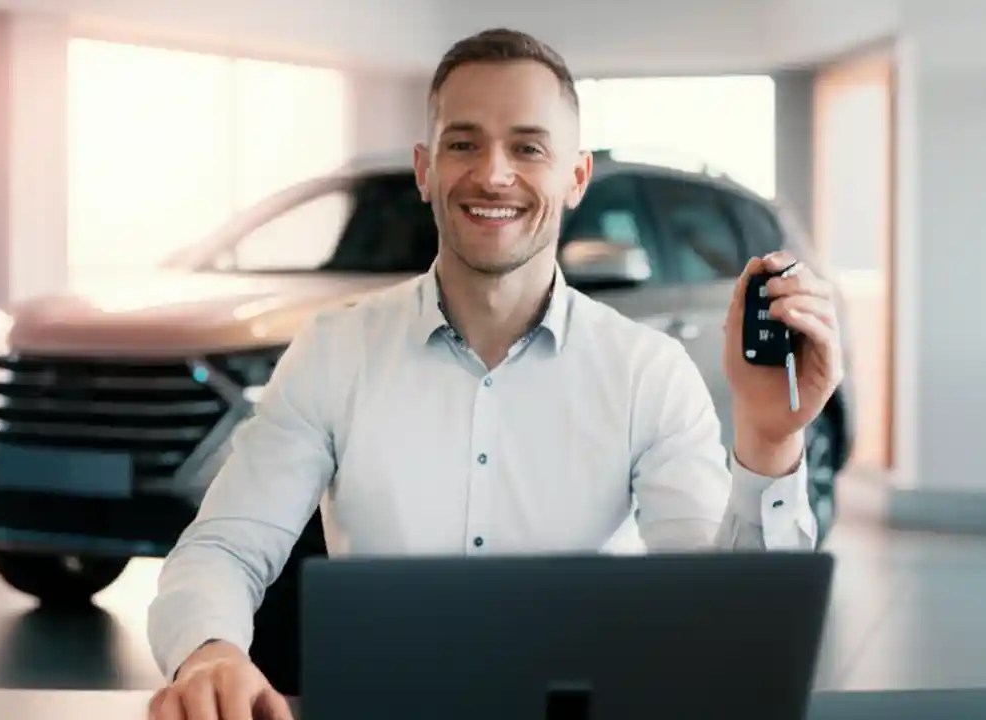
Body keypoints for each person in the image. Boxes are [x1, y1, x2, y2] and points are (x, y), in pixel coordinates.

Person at [146, 27, 844, 720]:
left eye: (528, 147)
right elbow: (223, 549)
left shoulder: (647, 372)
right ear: (426, 169)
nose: (493, 173)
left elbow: (716, 617)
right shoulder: (334, 351)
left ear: (575, 178)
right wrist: (209, 651)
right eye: (464, 143)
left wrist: (768, 438)